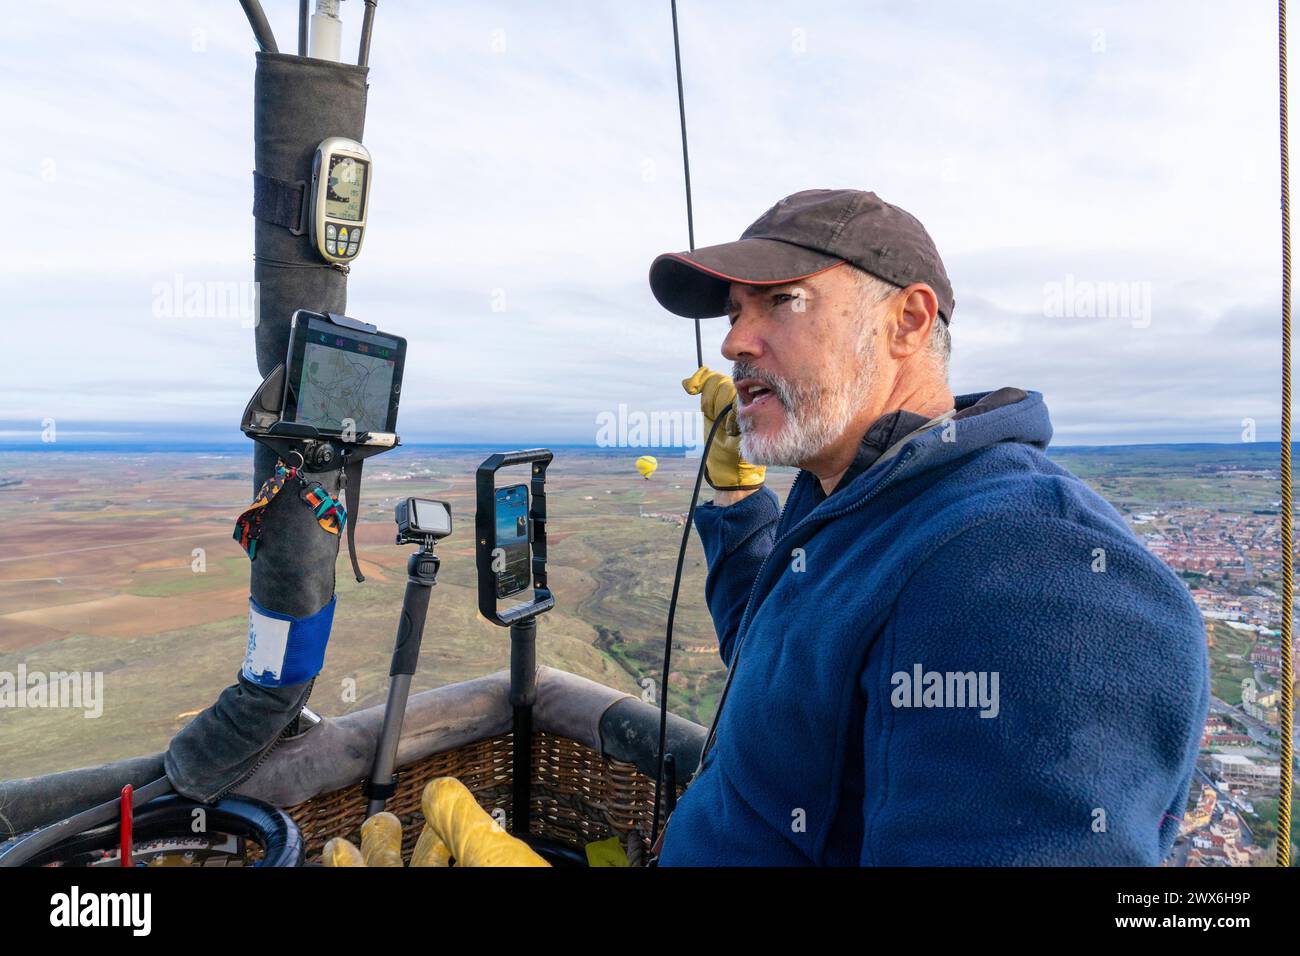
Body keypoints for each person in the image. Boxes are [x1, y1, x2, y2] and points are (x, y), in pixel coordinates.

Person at [647, 188, 1209, 865]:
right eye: (735, 311)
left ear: (908, 322)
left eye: (781, 301)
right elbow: (779, 658)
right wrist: (740, 502)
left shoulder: (1034, 564)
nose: (735, 340)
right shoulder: (856, 495)